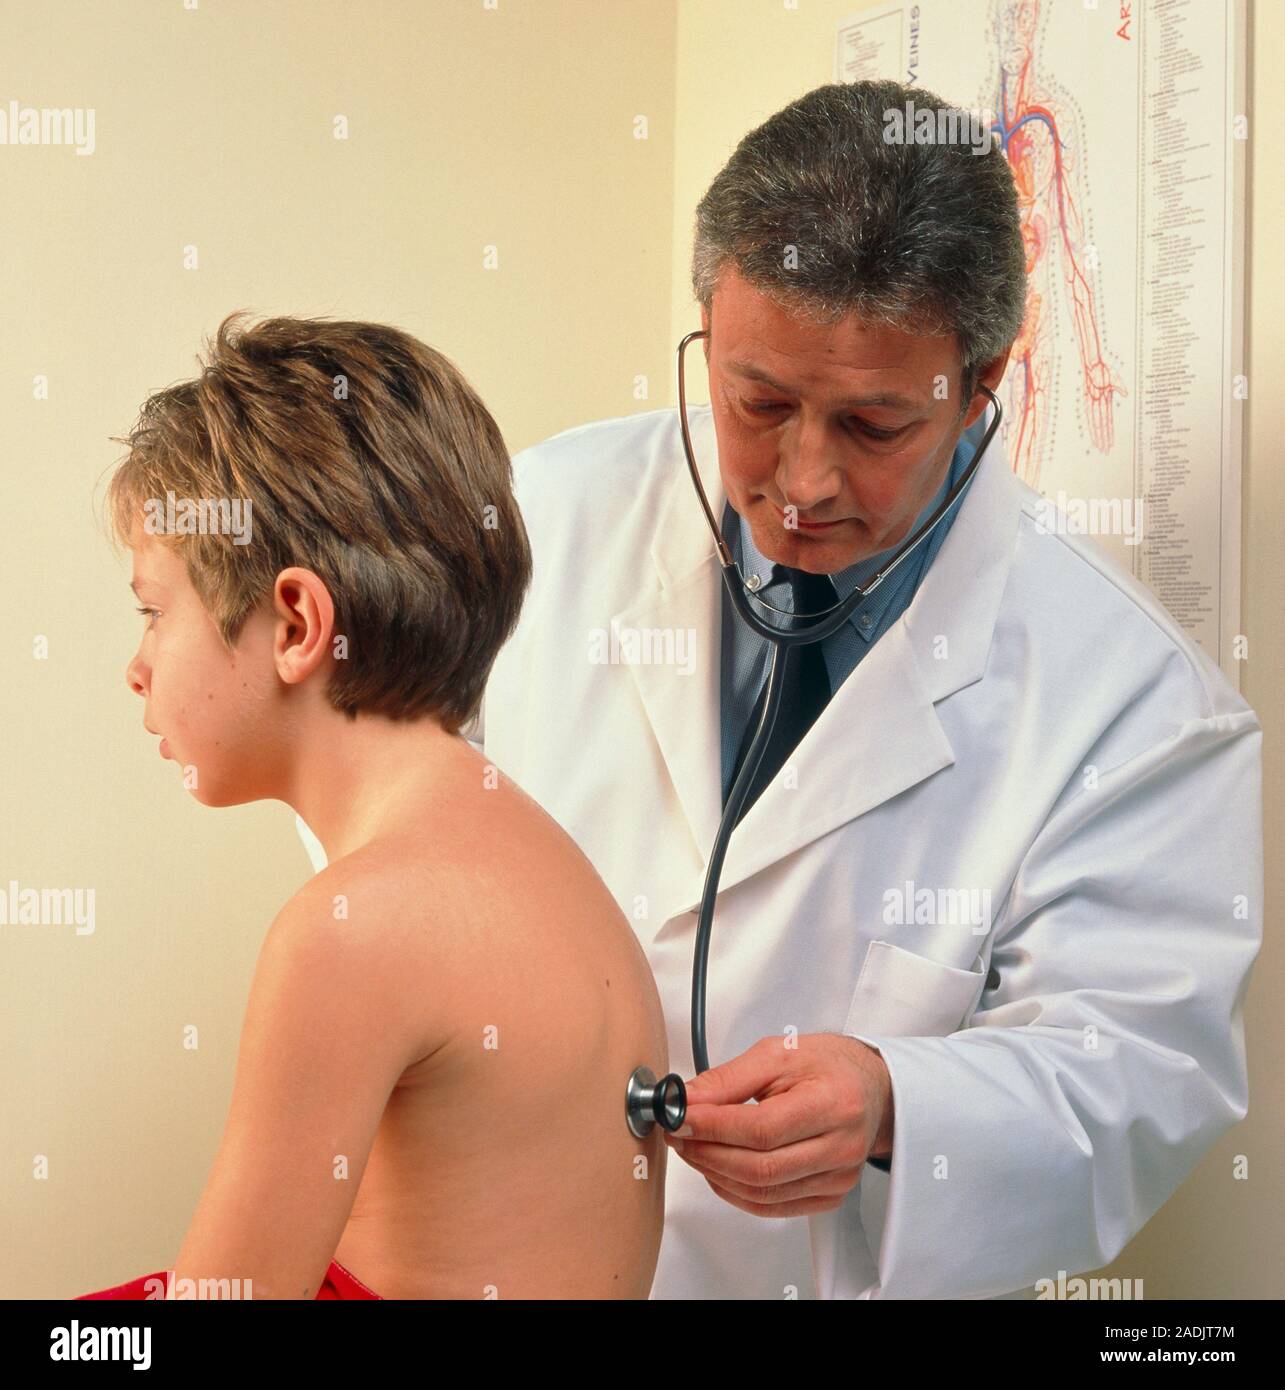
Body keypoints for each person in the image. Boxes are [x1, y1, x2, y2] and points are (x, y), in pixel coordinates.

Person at [433, 79, 1263, 1298]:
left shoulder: (1133, 702)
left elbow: (1139, 1071)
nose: (802, 480)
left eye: (873, 424)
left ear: (981, 387)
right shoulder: (540, 522)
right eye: (756, 402)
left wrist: (894, 1102)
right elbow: (381, 810)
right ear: (706, 335)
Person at [80, 313, 669, 1300]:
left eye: (154, 609)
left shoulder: (353, 932)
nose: (134, 669)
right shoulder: (546, 865)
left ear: (299, 624)